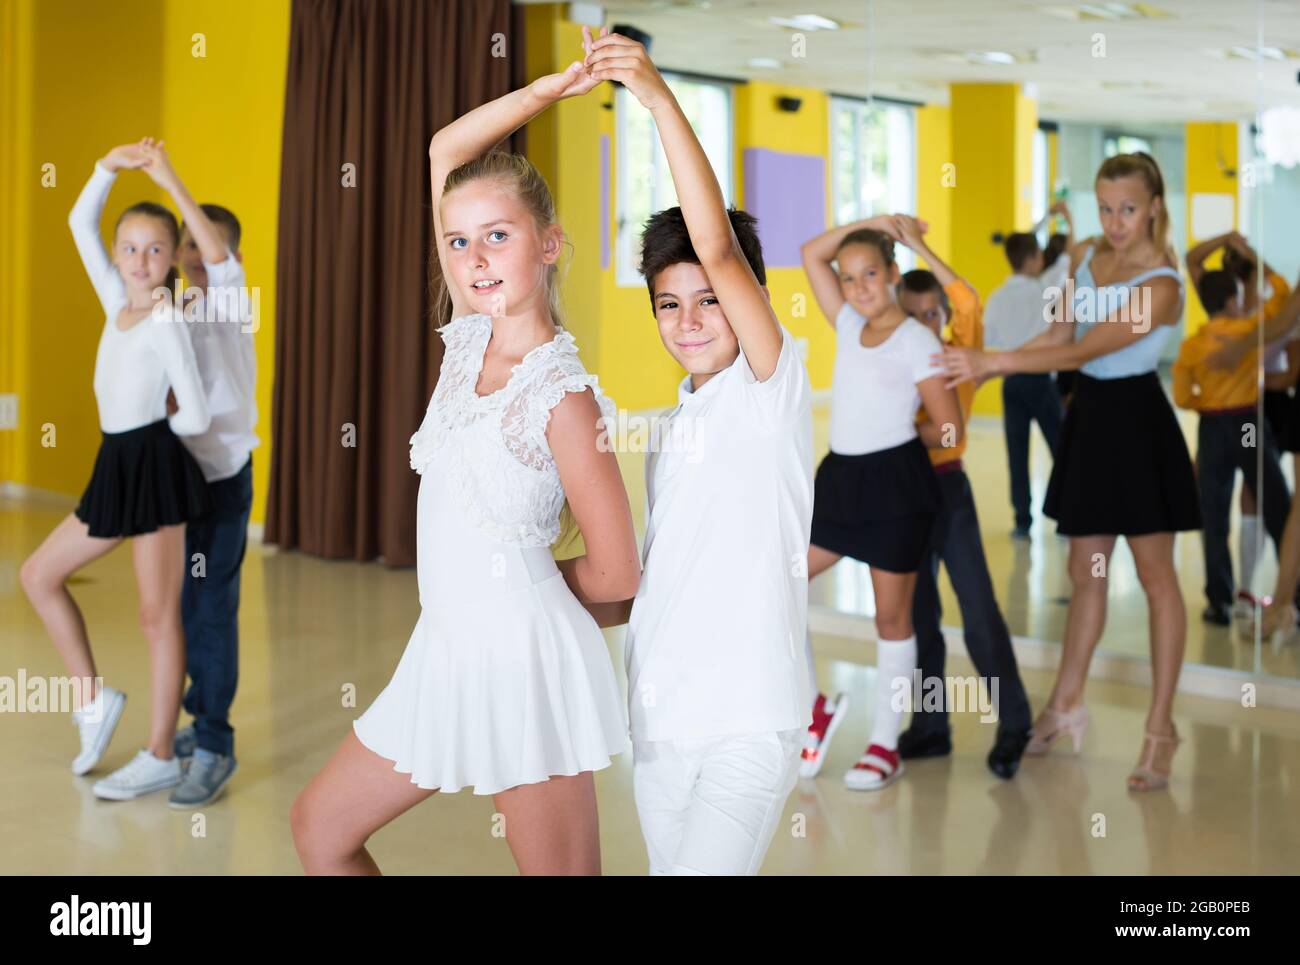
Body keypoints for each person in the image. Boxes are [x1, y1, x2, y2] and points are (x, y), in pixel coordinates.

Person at [290, 36, 640, 874]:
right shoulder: (466, 337)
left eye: (497, 236)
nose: (474, 258)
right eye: (456, 242)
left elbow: (620, 573)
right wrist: (550, 91)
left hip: (521, 660)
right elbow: (446, 149)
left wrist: (516, 594)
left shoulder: (563, 393)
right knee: (319, 830)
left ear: (548, 244)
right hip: (439, 650)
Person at [581, 28, 814, 874]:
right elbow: (652, 578)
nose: (688, 319)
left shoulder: (772, 389)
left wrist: (653, 95)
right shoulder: (675, 427)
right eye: (667, 303)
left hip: (749, 719)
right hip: (661, 723)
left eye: (710, 299)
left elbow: (714, 242)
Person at [939, 152, 1195, 792]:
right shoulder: (1085, 261)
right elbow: (1058, 335)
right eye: (1105, 208)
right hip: (1092, 421)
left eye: (1128, 209)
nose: (1115, 222)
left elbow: (1088, 348)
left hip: (1138, 424)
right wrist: (990, 359)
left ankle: (1161, 730)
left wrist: (995, 363)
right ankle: (1065, 704)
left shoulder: (1163, 286)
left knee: (1157, 578)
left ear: (1155, 206)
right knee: (1087, 573)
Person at [20, 139, 211, 800]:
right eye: (128, 247)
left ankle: (160, 751)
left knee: (158, 617)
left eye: (154, 249)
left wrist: (162, 427)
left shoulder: (164, 318)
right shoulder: (115, 300)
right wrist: (106, 163)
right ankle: (93, 700)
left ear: (171, 260)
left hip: (153, 463)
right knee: (39, 574)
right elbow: (79, 223)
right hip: (115, 461)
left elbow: (197, 410)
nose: (138, 260)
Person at [799, 212, 964, 790]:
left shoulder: (917, 340)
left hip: (896, 486)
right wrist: (872, 223)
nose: (859, 287)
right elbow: (809, 252)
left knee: (891, 619)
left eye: (870, 273)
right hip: (841, 481)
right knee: (780, 582)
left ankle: (884, 745)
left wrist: (899, 441)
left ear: (893, 273)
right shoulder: (846, 324)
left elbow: (950, 428)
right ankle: (812, 710)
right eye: (849, 278)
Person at [132, 141, 257, 807]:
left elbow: (216, 259)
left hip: (224, 481)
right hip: (176, 480)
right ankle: (194, 721)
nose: (192, 263)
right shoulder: (169, 315)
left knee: (212, 610)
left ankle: (214, 741)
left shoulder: (235, 308)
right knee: (181, 608)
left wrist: (167, 177)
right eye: (184, 254)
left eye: (205, 253)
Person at [889, 223, 1033, 780]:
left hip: (949, 490)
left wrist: (919, 246)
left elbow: (968, 296)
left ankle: (1014, 723)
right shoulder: (895, 358)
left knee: (978, 614)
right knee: (921, 614)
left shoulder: (957, 354)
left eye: (933, 313)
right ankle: (931, 728)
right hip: (905, 493)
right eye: (914, 314)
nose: (925, 323)